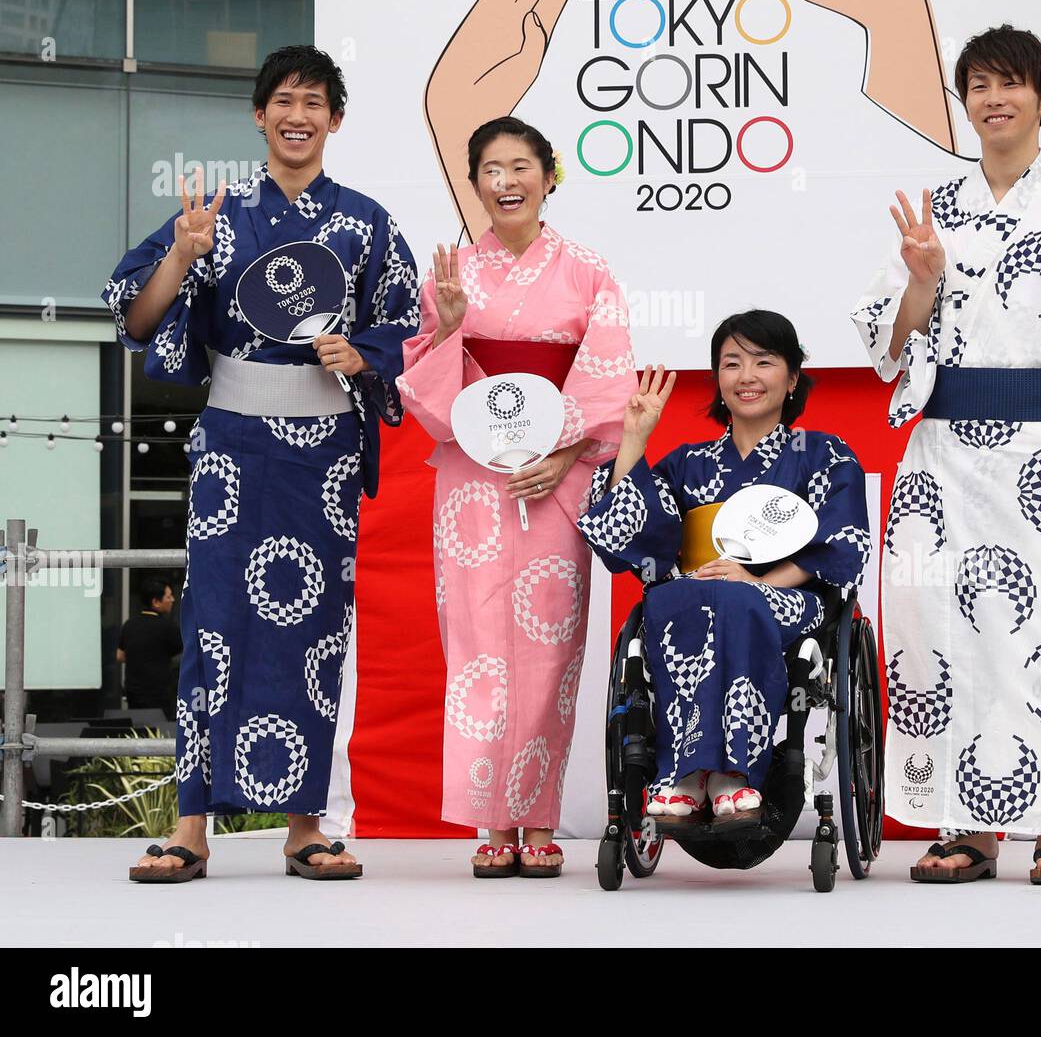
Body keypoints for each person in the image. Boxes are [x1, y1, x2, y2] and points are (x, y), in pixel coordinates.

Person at [103, 45, 420, 882]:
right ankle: (191, 825)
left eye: (315, 102)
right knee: (212, 623)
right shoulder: (217, 212)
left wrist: (363, 353)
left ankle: (305, 825)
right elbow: (135, 318)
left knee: (313, 630)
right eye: (284, 99)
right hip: (233, 444)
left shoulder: (366, 221)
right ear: (258, 114)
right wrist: (180, 254)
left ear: (336, 121)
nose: (299, 115)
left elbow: (407, 323)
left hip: (322, 454)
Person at [854, 25, 1041, 885]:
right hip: (940, 455)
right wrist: (922, 282)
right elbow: (887, 345)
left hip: (1038, 452)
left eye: (1012, 83)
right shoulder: (934, 208)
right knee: (934, 631)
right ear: (965, 102)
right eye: (978, 85)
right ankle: (966, 826)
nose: (994, 98)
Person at [397, 115, 637, 879]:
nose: (506, 181)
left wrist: (564, 449)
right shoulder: (452, 274)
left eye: (521, 165)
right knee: (474, 645)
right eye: (491, 169)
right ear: (473, 184)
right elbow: (420, 381)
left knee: (549, 647)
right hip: (475, 473)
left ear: (549, 174)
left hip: (557, 473)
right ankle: (489, 820)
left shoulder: (588, 270)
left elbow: (608, 374)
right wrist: (452, 326)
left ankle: (536, 819)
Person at [577, 311, 871, 825]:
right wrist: (635, 441)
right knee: (666, 599)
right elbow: (635, 530)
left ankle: (734, 773)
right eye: (731, 363)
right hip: (694, 597)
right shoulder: (690, 463)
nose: (746, 376)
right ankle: (685, 773)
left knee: (736, 599)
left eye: (764, 361)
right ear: (718, 378)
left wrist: (756, 580)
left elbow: (840, 543)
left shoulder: (822, 454)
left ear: (793, 377)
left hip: (785, 597)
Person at [116, 578, 182, 719]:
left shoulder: (129, 624)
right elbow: (186, 649)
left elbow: (120, 656)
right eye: (168, 596)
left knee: (138, 734)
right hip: (160, 695)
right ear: (156, 602)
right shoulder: (167, 627)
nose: (173, 599)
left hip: (134, 695)